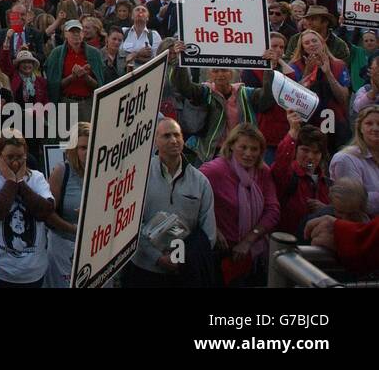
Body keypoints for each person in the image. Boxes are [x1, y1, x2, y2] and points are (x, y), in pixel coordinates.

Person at [123, 118, 218, 287]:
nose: (173, 140)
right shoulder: (138, 176)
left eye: (177, 135)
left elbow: (208, 232)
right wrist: (157, 257)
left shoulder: (200, 182)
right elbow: (128, 223)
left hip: (183, 272)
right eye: (167, 136)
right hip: (143, 270)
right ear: (155, 141)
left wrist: (179, 258)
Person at [199, 123, 280, 286]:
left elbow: (273, 210)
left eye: (254, 149)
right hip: (221, 253)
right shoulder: (214, 171)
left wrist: (249, 240)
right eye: (243, 147)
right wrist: (213, 227)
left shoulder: (262, 172)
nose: (248, 154)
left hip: (253, 252)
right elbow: (192, 200)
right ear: (231, 146)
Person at [0, 131, 53, 287]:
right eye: (9, 158)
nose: (15, 163)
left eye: (20, 157)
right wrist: (11, 181)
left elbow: (46, 212)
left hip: (32, 272)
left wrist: (20, 182)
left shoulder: (37, 178)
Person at [271, 112, 331, 238]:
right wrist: (293, 131)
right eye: (305, 150)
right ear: (295, 150)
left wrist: (326, 209)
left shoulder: (327, 183)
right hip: (287, 244)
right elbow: (281, 162)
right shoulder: (287, 175)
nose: (310, 157)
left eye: (316, 152)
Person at [43, 122, 88, 288]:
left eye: (91, 146)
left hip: (95, 246)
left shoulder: (106, 172)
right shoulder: (62, 171)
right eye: (82, 148)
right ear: (73, 150)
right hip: (64, 248)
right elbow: (47, 214)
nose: (87, 152)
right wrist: (73, 228)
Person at [42, 20, 106, 123]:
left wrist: (86, 77)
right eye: (72, 32)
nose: (76, 34)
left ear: (83, 34)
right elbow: (53, 85)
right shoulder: (56, 54)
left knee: (86, 137)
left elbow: (100, 85)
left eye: (78, 31)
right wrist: (72, 77)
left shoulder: (94, 53)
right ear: (65, 34)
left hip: (87, 104)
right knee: (66, 138)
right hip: (66, 103)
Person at [330, 105, 379, 217]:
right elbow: (352, 203)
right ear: (360, 128)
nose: (376, 128)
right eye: (369, 123)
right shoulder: (346, 158)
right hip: (359, 228)